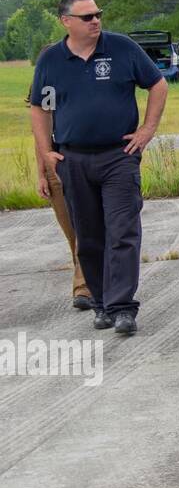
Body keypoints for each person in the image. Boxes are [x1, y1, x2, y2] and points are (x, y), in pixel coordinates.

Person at [28, 0, 167, 336]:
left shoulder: (121, 48)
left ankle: (122, 307)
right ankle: (101, 303)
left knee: (122, 231)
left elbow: (158, 84)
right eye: (87, 16)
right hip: (73, 158)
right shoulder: (51, 60)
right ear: (66, 22)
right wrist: (46, 153)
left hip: (118, 156)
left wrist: (147, 130)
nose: (95, 21)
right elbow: (41, 108)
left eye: (98, 15)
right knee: (88, 236)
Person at [26, 45, 91, 311]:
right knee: (73, 231)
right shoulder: (42, 93)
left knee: (90, 227)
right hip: (55, 164)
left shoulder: (81, 84)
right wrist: (41, 171)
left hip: (81, 159)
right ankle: (85, 281)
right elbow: (39, 132)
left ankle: (86, 285)